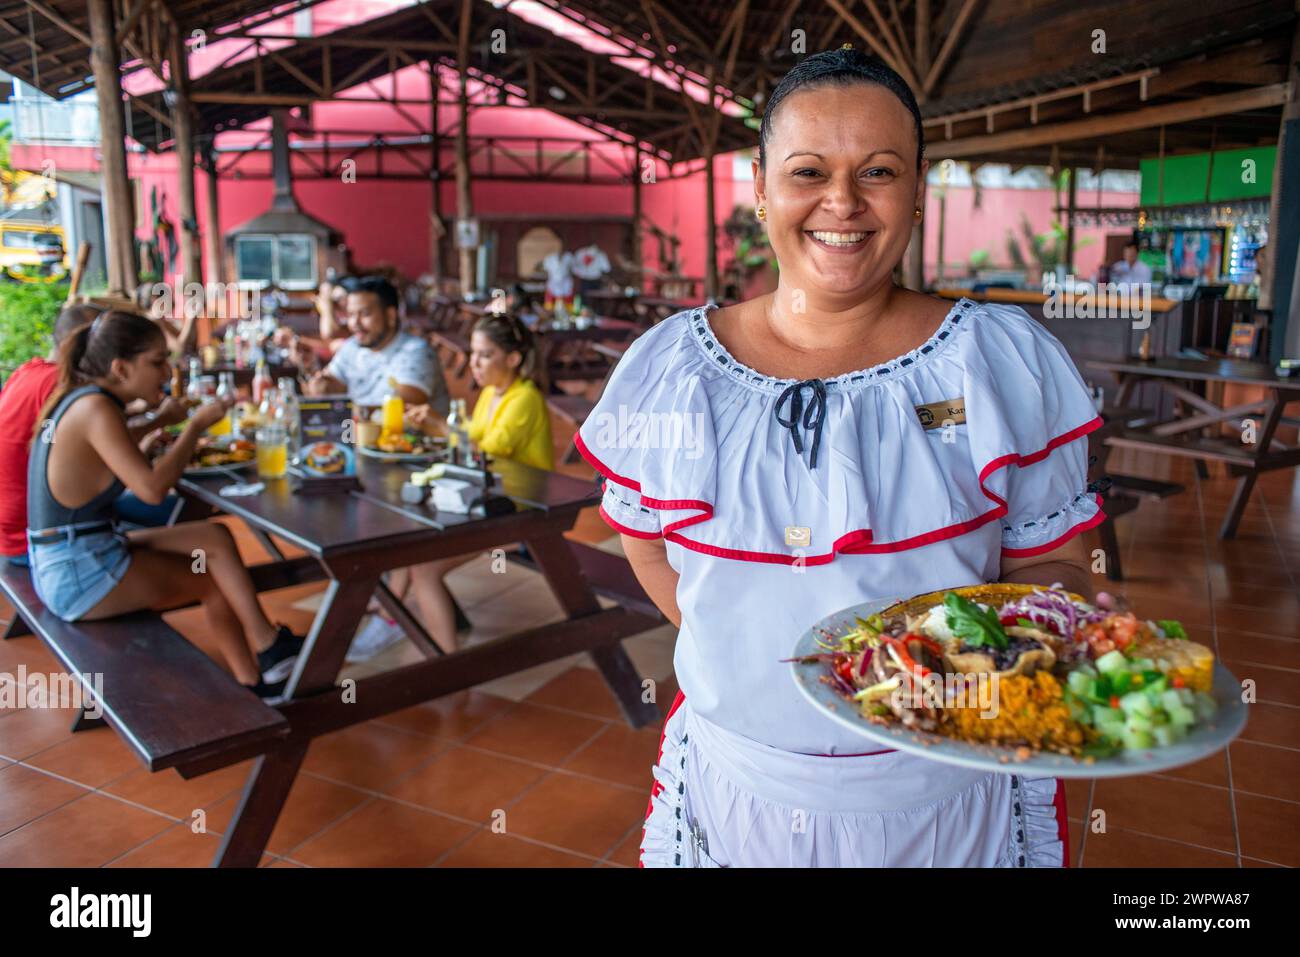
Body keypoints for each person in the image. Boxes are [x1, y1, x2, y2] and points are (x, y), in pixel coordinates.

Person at [575, 47, 1103, 867]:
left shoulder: (995, 363)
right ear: (759, 187)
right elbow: (646, 545)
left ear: (920, 189)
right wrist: (770, 665)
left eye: (880, 171)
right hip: (735, 786)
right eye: (808, 170)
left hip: (946, 792)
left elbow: (1055, 565)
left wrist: (1072, 640)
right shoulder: (671, 372)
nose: (843, 202)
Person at [25, 311, 305, 699]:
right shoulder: (96, 409)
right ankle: (262, 671)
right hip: (78, 571)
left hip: (75, 553)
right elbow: (152, 490)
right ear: (121, 368)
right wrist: (193, 426)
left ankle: (267, 658)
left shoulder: (84, 401)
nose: (167, 372)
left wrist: (158, 425)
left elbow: (110, 452)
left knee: (214, 538)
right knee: (210, 576)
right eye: (157, 362)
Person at [346, 313, 553, 660]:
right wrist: (433, 426)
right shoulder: (493, 393)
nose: (474, 363)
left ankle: (445, 661)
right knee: (409, 535)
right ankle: (390, 616)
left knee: (423, 567)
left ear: (513, 358)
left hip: (522, 511)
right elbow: (472, 436)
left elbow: (487, 454)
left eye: (485, 355)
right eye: (472, 353)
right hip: (491, 501)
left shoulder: (525, 399)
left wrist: (439, 426)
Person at [0, 305, 191, 567]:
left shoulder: (29, 372)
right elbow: (148, 485)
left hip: (23, 529)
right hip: (42, 535)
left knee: (190, 522)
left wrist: (147, 417)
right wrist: (179, 423)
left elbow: (93, 443)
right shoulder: (59, 386)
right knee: (186, 520)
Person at [302, 275, 450, 415]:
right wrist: (314, 375)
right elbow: (332, 387)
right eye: (351, 314)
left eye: (365, 314)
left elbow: (401, 409)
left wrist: (344, 409)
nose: (354, 323)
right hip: (358, 436)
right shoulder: (352, 346)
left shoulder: (416, 353)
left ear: (391, 316)